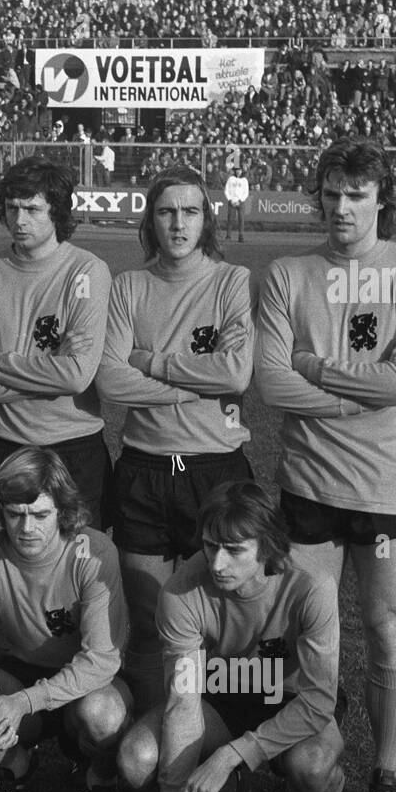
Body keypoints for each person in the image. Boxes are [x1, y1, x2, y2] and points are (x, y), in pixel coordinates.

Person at [254, 136, 396, 792]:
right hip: (307, 484)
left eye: (356, 195)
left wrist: (317, 366)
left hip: (386, 490)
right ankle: (305, 762)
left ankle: (385, 772)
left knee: (386, 627)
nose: (340, 207)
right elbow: (272, 382)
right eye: (330, 193)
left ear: (381, 199)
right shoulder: (286, 273)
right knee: (308, 632)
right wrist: (362, 394)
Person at [96, 166, 253, 716]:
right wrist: (193, 386)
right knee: (148, 619)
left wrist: (155, 364)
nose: (178, 223)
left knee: (217, 615)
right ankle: (151, 739)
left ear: (206, 218)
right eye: (167, 211)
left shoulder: (232, 282)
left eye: (190, 211)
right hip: (145, 469)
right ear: (150, 219)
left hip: (216, 472)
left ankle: (206, 740)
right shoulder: (129, 286)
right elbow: (112, 380)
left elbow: (235, 374)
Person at [117, 481, 345, 792]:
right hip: (223, 690)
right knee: (135, 760)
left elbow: (319, 701)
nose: (217, 563)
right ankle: (225, 785)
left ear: (266, 546)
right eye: (210, 546)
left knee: (313, 767)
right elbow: (184, 700)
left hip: (291, 695)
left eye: (235, 550)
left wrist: (233, 755)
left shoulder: (312, 584)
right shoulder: (180, 591)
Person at [0, 448, 130, 792]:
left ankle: (101, 777)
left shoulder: (95, 551)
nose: (26, 529)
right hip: (20, 671)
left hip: (87, 684)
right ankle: (18, 765)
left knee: (103, 715)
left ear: (63, 510)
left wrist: (23, 703)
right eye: (15, 515)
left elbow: (100, 660)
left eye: (40, 514)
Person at [0, 155, 114, 528]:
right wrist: (49, 379)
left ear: (57, 211)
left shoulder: (87, 271)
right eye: (12, 208)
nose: (19, 220)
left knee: (75, 574)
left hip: (75, 446)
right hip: (3, 446)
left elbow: (76, 377)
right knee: (2, 573)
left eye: (33, 209)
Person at [223, 166, 249, 241]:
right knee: (230, 219)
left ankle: (241, 235)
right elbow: (226, 190)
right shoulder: (231, 179)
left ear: (241, 171)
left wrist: (240, 201)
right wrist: (230, 199)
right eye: (237, 170)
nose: (238, 171)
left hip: (240, 201)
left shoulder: (244, 180)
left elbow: (246, 193)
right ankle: (228, 235)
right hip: (232, 201)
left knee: (241, 219)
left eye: (240, 170)